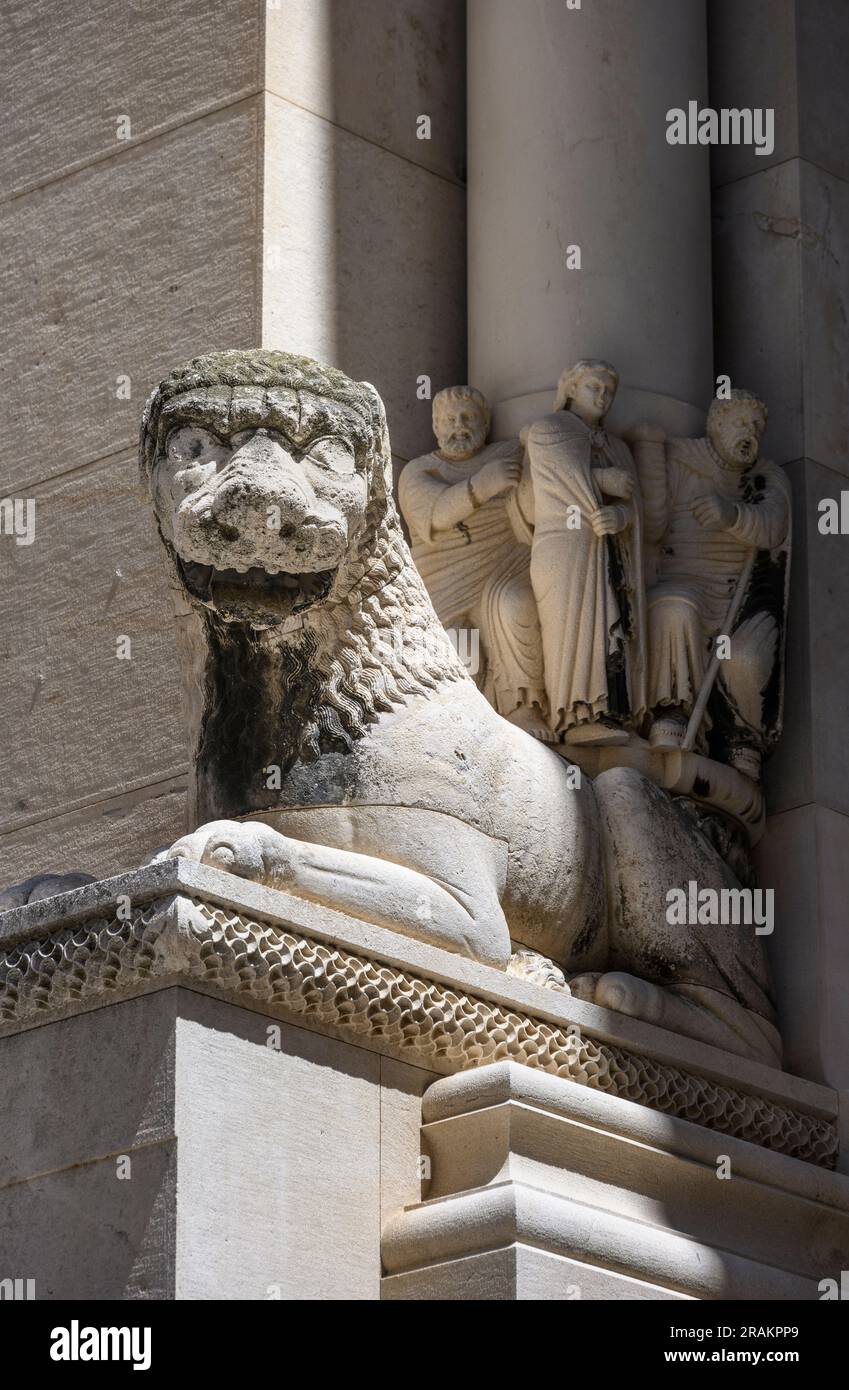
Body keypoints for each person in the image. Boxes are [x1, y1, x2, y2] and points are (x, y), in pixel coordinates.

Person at [399, 385, 550, 737]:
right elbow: (436, 514)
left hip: (503, 573)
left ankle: (523, 706)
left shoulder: (506, 456)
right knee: (458, 646)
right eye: (449, 420)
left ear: (485, 424)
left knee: (516, 604)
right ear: (435, 427)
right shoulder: (420, 472)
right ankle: (464, 727)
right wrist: (483, 484)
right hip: (445, 590)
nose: (459, 426)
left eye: (468, 418)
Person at [525, 359, 648, 744]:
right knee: (569, 630)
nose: (603, 396)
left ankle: (606, 710)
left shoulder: (617, 448)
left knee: (609, 630)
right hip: (563, 545)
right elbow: (557, 483)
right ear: (571, 389)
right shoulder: (549, 430)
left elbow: (638, 511)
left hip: (607, 550)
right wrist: (601, 480)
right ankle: (571, 714)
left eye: (609, 391)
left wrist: (621, 517)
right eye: (594, 387)